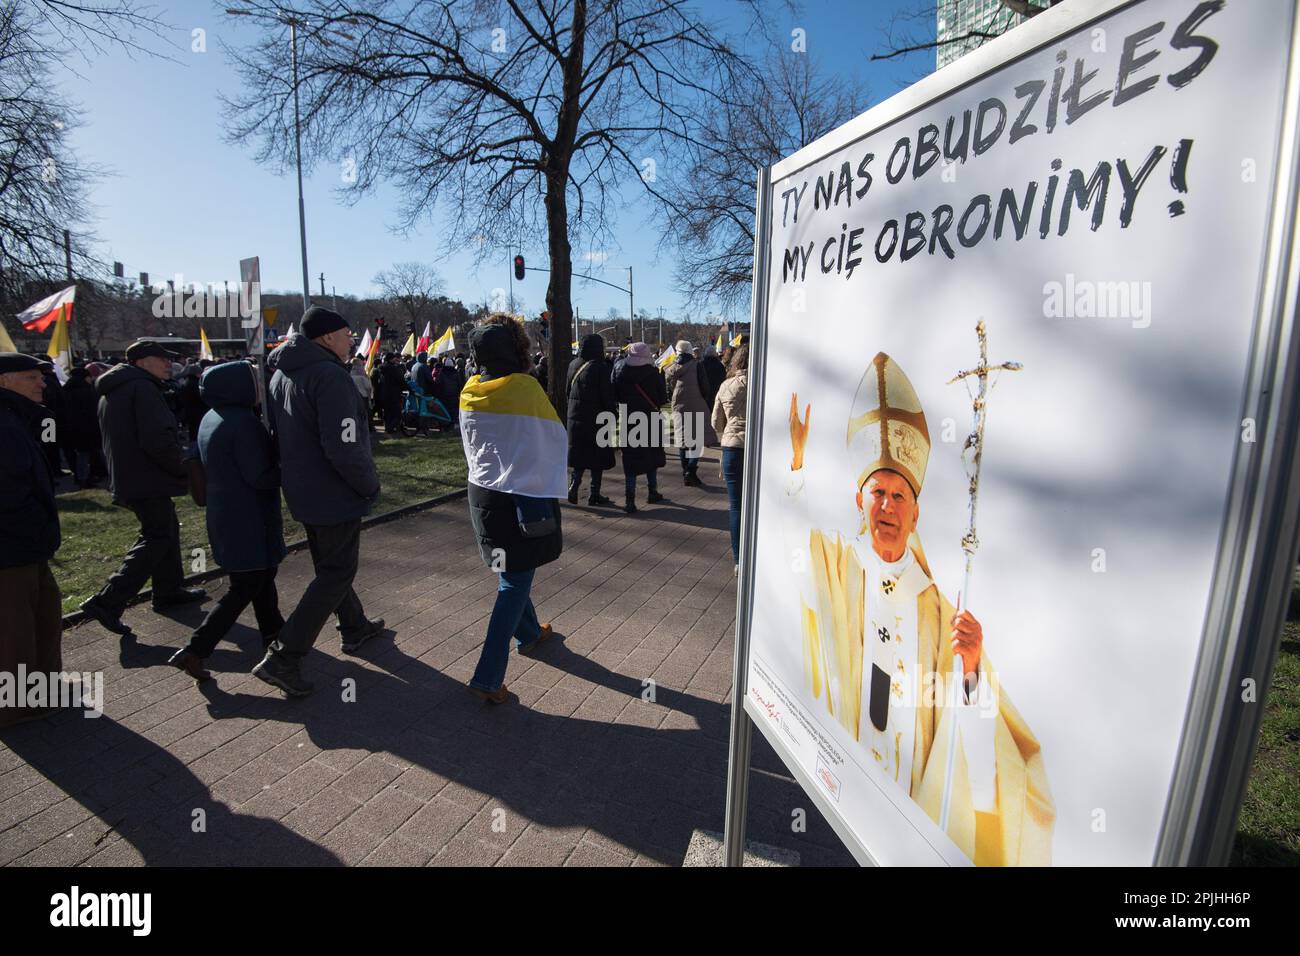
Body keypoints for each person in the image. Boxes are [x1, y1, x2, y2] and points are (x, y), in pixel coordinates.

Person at [784, 353, 1054, 864]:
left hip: (912, 799)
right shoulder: (842, 564)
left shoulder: (936, 608)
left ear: (916, 510)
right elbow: (793, 541)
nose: (887, 506)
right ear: (858, 500)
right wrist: (797, 462)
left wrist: (971, 668)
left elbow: (976, 725)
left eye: (899, 495)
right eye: (877, 493)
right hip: (851, 772)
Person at [253, 307, 384, 697]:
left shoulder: (282, 374)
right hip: (334, 491)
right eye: (346, 333)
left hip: (302, 488)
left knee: (331, 566)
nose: (351, 340)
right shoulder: (330, 376)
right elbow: (343, 446)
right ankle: (284, 657)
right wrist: (368, 484)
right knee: (335, 572)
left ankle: (355, 626)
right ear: (327, 338)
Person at [459, 315, 565, 704]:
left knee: (511, 572)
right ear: (517, 349)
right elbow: (553, 438)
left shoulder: (470, 388)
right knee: (513, 583)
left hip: (481, 496)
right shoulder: (524, 387)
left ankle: (531, 633)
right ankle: (487, 677)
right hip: (518, 498)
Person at [169, 361, 286, 682]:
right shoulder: (244, 423)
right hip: (249, 519)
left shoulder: (212, 416)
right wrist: (290, 468)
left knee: (261, 581)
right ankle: (196, 650)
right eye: (252, 381)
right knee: (246, 586)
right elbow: (260, 477)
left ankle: (276, 639)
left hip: (228, 515)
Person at [79, 340, 206, 637]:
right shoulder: (142, 389)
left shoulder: (118, 388)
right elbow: (157, 439)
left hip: (133, 475)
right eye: (161, 359)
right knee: (157, 535)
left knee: (166, 530)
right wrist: (183, 469)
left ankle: (169, 590)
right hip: (146, 477)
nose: (168, 364)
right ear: (141, 362)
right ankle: (108, 600)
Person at [0, 353, 62, 727]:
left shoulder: (16, 418)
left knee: (41, 615)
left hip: (26, 544)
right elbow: (9, 492)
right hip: (10, 548)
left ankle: (39, 691)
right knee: (13, 630)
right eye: (30, 377)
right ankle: (15, 705)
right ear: (4, 381)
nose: (41, 383)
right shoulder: (4, 425)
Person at [611, 342, 667, 514]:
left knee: (631, 459)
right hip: (650, 417)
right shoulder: (654, 373)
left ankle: (630, 499)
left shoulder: (620, 370)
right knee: (651, 455)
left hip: (629, 418)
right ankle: (652, 491)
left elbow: (614, 393)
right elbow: (662, 398)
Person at [565, 333, 616, 506]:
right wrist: (612, 414)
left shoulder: (573, 364)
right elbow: (606, 396)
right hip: (596, 419)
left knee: (580, 456)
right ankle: (595, 494)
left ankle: (573, 486)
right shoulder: (599, 367)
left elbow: (567, 391)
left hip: (575, 416)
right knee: (597, 458)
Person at [711, 345, 747, 568]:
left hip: (733, 447)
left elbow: (716, 422)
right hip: (758, 448)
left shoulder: (726, 385)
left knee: (736, 506)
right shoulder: (766, 385)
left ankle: (738, 560)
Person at [664, 339, 718, 487]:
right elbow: (704, 386)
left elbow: (668, 389)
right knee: (697, 440)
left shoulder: (671, 368)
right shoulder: (697, 365)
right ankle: (691, 470)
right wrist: (703, 399)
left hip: (679, 406)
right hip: (696, 404)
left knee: (683, 441)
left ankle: (686, 472)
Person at [61, 366, 108, 488]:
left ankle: (82, 478)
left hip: (72, 428)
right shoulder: (88, 391)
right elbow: (95, 410)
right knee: (96, 452)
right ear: (85, 377)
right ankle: (100, 474)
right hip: (90, 427)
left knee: (82, 454)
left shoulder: (65, 390)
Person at [380, 353, 406, 434]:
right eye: (394, 358)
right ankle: (391, 428)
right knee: (397, 413)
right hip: (394, 393)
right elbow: (400, 380)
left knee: (387, 412)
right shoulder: (394, 369)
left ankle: (387, 427)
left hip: (384, 393)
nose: (395, 359)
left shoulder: (382, 369)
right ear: (391, 359)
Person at [700, 343, 726, 409]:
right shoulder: (720, 366)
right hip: (716, 395)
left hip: (703, 395)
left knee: (700, 417)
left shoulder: (700, 365)